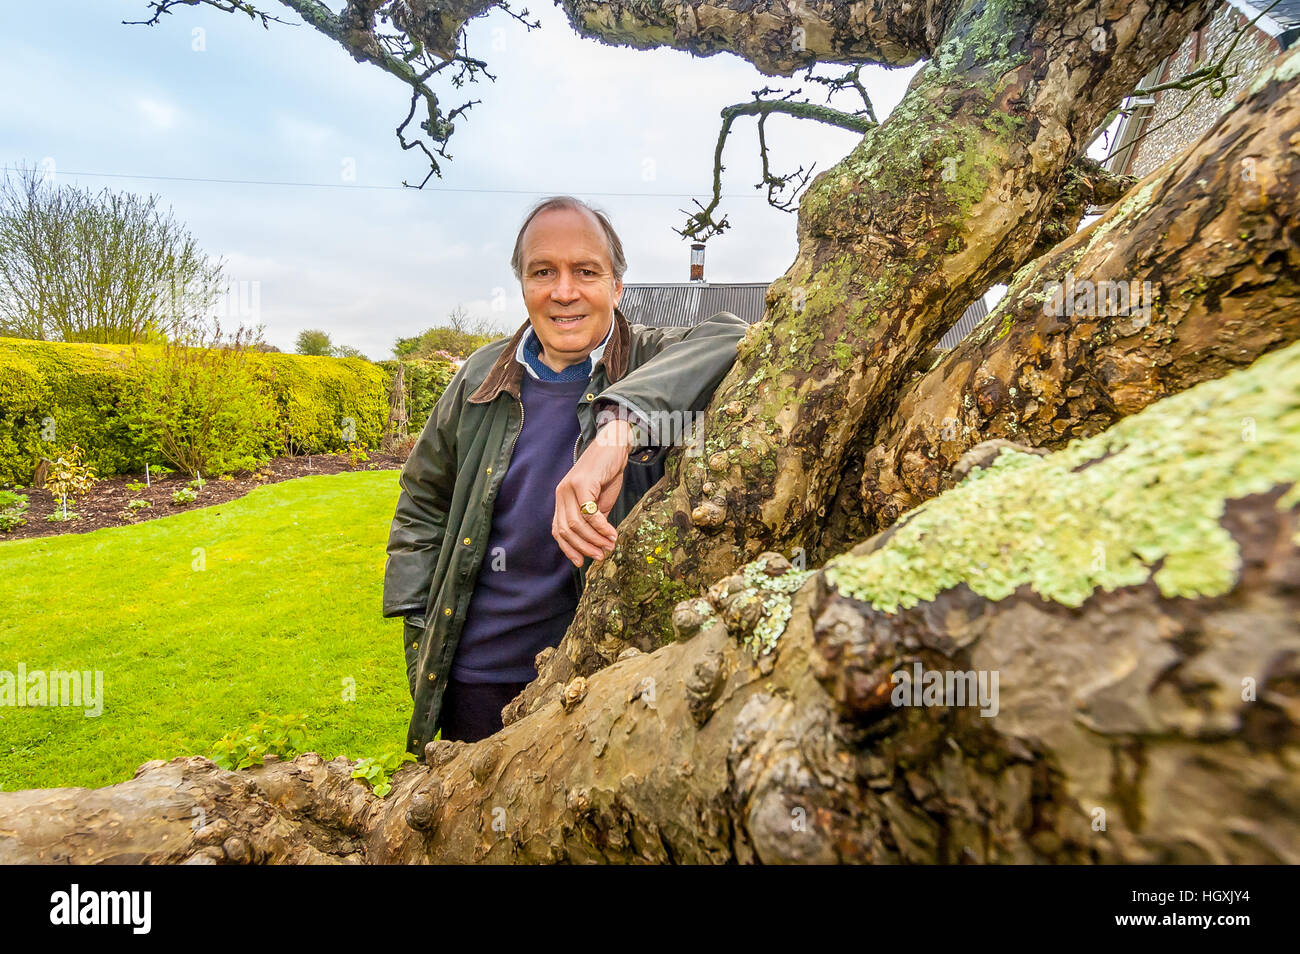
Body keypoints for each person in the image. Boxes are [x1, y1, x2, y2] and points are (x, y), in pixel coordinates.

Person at [383, 195, 748, 753]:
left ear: (617, 286)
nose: (564, 291)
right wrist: (416, 623)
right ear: (524, 285)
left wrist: (619, 427)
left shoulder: (651, 355)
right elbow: (423, 498)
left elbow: (735, 336)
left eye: (585, 271)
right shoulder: (480, 373)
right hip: (474, 672)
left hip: (596, 669)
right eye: (543, 272)